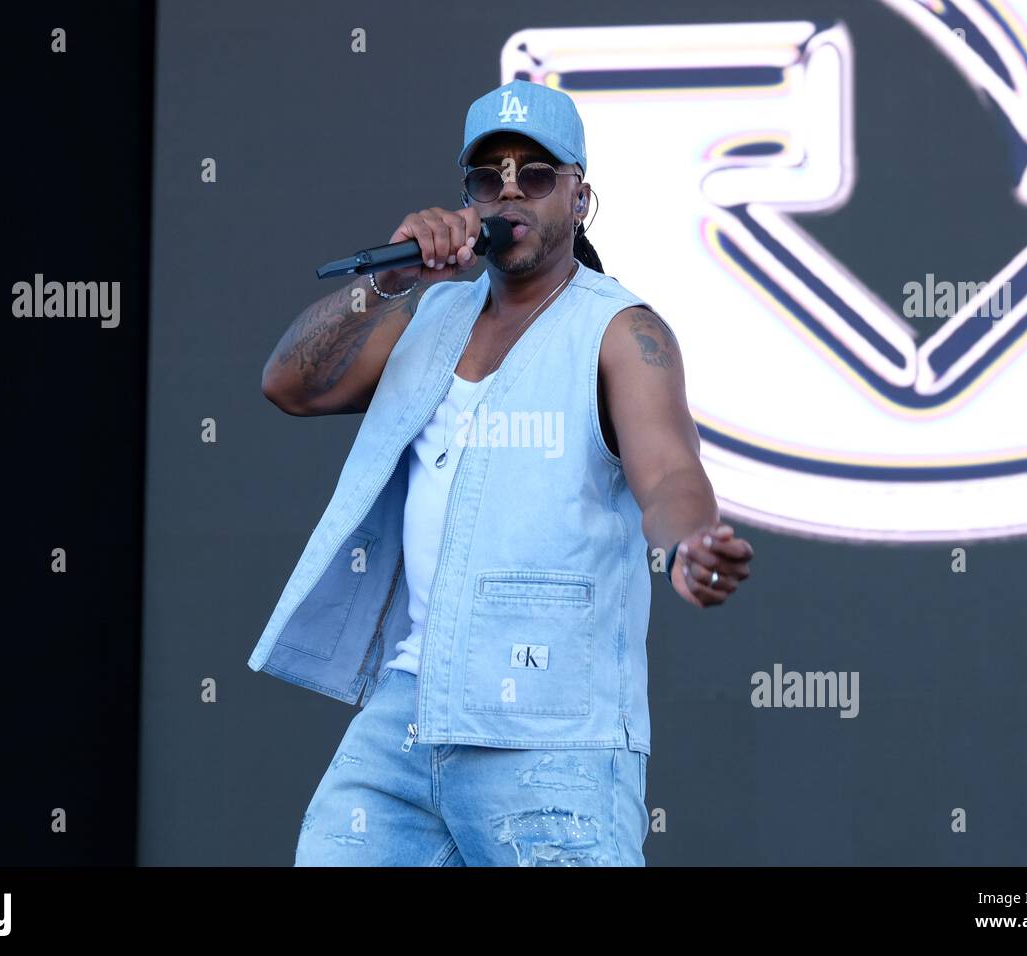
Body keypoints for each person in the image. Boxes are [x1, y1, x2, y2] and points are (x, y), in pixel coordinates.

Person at [252, 79, 754, 866]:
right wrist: (391, 280)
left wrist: (691, 543)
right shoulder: (430, 314)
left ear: (580, 197)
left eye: (537, 174)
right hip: (409, 712)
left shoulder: (621, 329)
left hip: (551, 731)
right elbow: (289, 385)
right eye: (489, 177)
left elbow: (668, 474)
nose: (510, 191)